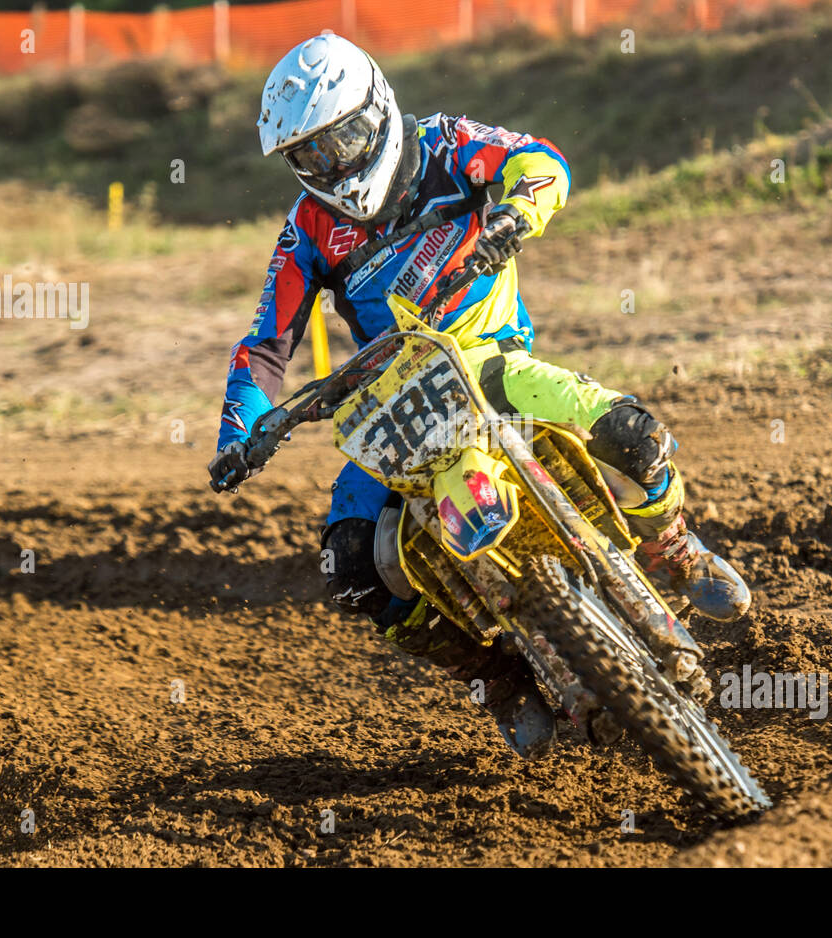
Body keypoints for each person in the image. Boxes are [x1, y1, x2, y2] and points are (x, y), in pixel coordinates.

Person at [209, 34, 749, 759]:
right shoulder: (308, 230)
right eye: (313, 155)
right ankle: (497, 677)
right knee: (349, 569)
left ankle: (673, 543)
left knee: (631, 432)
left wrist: (516, 214)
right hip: (394, 408)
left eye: (346, 138)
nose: (335, 164)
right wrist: (242, 432)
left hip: (490, 362)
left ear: (379, 108)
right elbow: (265, 344)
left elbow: (540, 161)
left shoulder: (444, 144)